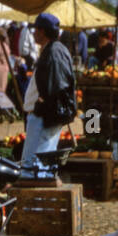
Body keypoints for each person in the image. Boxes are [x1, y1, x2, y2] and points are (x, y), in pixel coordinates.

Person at [22, 12, 75, 169]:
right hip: (45, 117)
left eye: (35, 30)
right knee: (38, 167)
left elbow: (56, 90)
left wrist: (41, 107)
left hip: (44, 118)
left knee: (34, 169)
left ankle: (37, 194)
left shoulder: (54, 53)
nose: (33, 33)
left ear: (42, 31)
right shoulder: (54, 49)